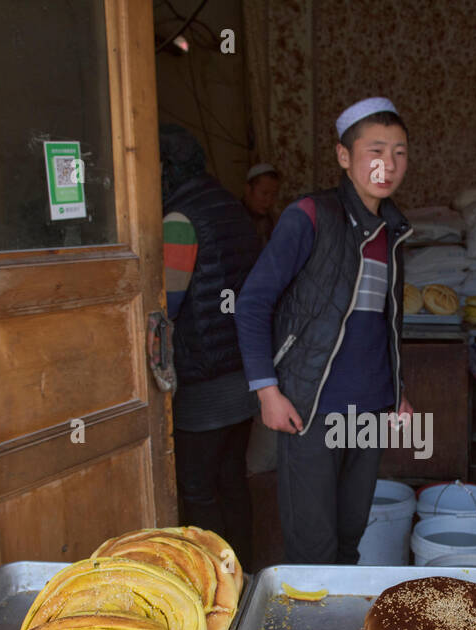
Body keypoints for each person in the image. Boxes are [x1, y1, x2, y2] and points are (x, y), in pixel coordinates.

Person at [235, 97, 415, 564]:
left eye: (399, 152)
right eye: (375, 151)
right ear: (344, 156)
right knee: (314, 549)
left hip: (370, 412)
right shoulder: (311, 216)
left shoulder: (393, 231)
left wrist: (397, 392)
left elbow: (384, 325)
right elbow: (252, 302)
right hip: (311, 409)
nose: (388, 164)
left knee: (350, 540)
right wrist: (267, 391)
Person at [154, 124, 261, 561]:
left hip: (205, 380)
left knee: (198, 488)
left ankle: (217, 581)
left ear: (166, 169)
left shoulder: (180, 219)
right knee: (231, 477)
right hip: (241, 371)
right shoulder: (229, 205)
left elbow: (170, 300)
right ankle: (248, 568)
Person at [242, 162, 281, 247]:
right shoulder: (234, 219)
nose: (269, 201)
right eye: (264, 193)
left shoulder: (276, 221)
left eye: (274, 195)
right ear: (248, 190)